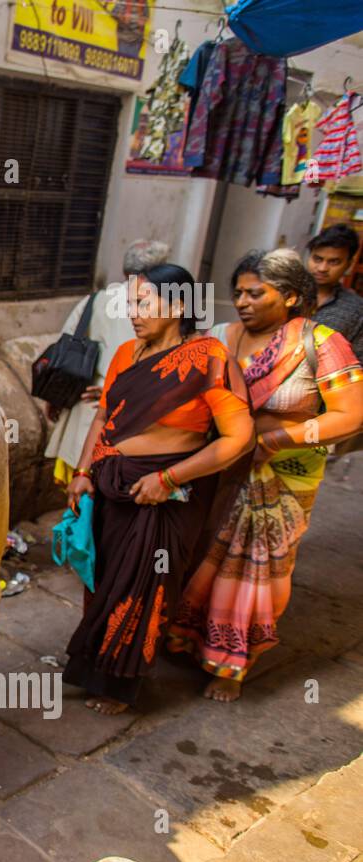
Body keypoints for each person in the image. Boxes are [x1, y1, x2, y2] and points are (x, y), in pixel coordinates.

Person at [167, 249, 363, 702]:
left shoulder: (321, 343)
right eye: (238, 292)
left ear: (292, 296)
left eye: (257, 293)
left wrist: (270, 442)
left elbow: (349, 416)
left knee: (251, 570)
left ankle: (230, 665)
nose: (243, 301)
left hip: (280, 479)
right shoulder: (219, 337)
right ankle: (182, 638)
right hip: (214, 470)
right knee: (196, 554)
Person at [62, 264, 253, 715]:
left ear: (180, 306)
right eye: (130, 303)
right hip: (113, 483)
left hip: (166, 493)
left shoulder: (210, 357)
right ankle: (94, 664)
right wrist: (84, 470)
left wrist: (169, 479)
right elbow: (103, 415)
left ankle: (121, 683)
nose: (133, 312)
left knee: (143, 586)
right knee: (104, 579)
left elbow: (238, 438)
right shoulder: (127, 353)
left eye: (143, 302)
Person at [45, 239, 171, 484]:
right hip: (125, 415)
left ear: (125, 270)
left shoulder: (97, 299)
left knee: (79, 491)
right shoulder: (160, 306)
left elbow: (64, 346)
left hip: (86, 406)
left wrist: (54, 396)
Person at [306, 223, 363, 362]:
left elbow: (357, 362)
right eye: (317, 259)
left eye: (334, 262)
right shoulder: (287, 294)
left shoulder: (356, 310)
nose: (322, 268)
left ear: (349, 264)